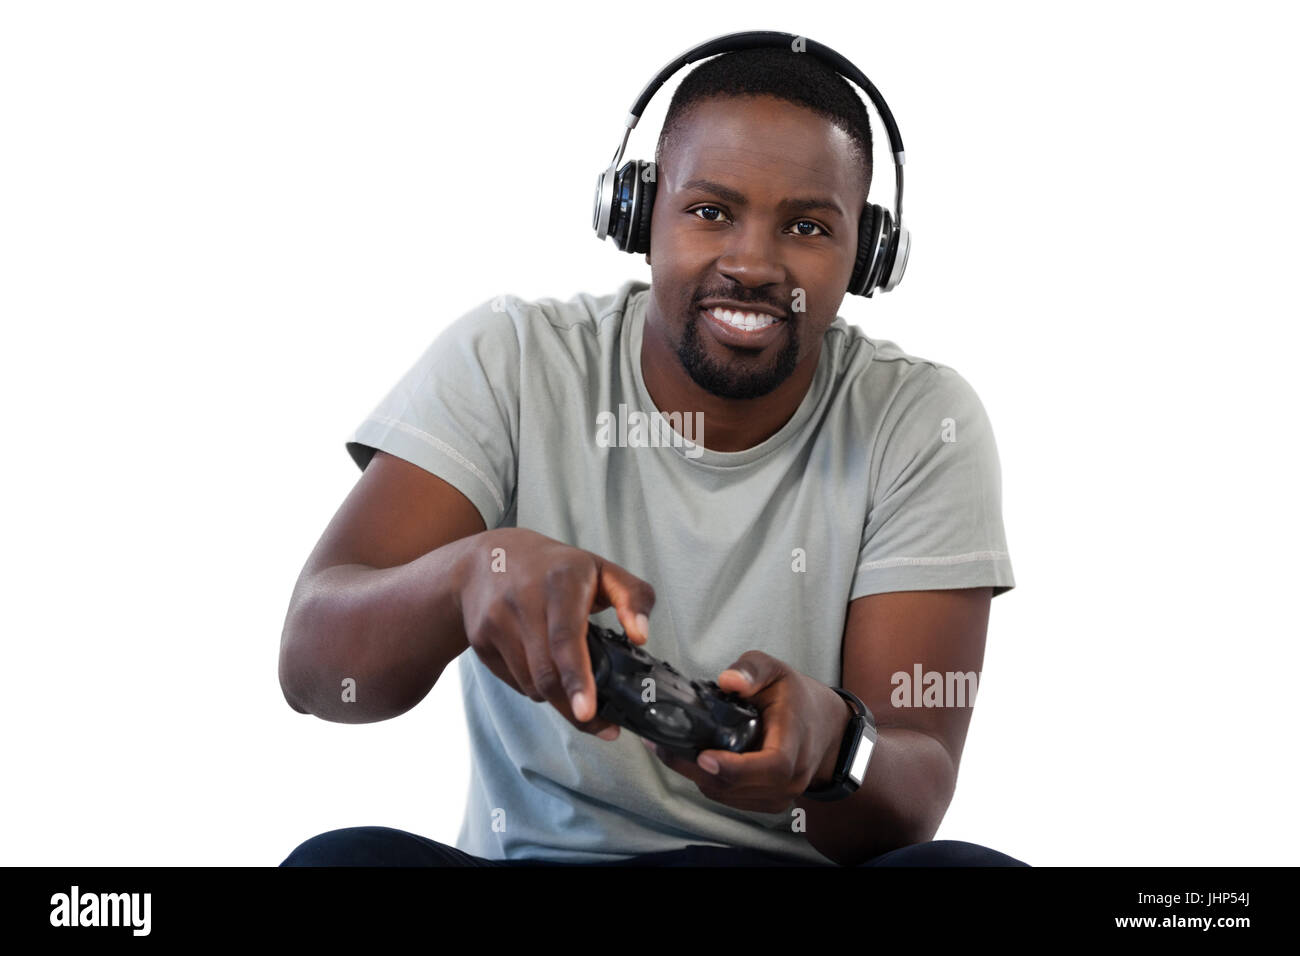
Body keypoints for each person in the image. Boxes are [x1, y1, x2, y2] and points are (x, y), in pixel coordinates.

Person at [278, 40, 1025, 868]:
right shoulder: (513, 359)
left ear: (868, 256)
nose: (752, 264)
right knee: (342, 860)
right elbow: (315, 671)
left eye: (808, 226)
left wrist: (832, 748)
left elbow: (911, 805)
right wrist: (466, 575)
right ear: (637, 213)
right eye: (710, 211)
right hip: (535, 864)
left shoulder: (918, 420)